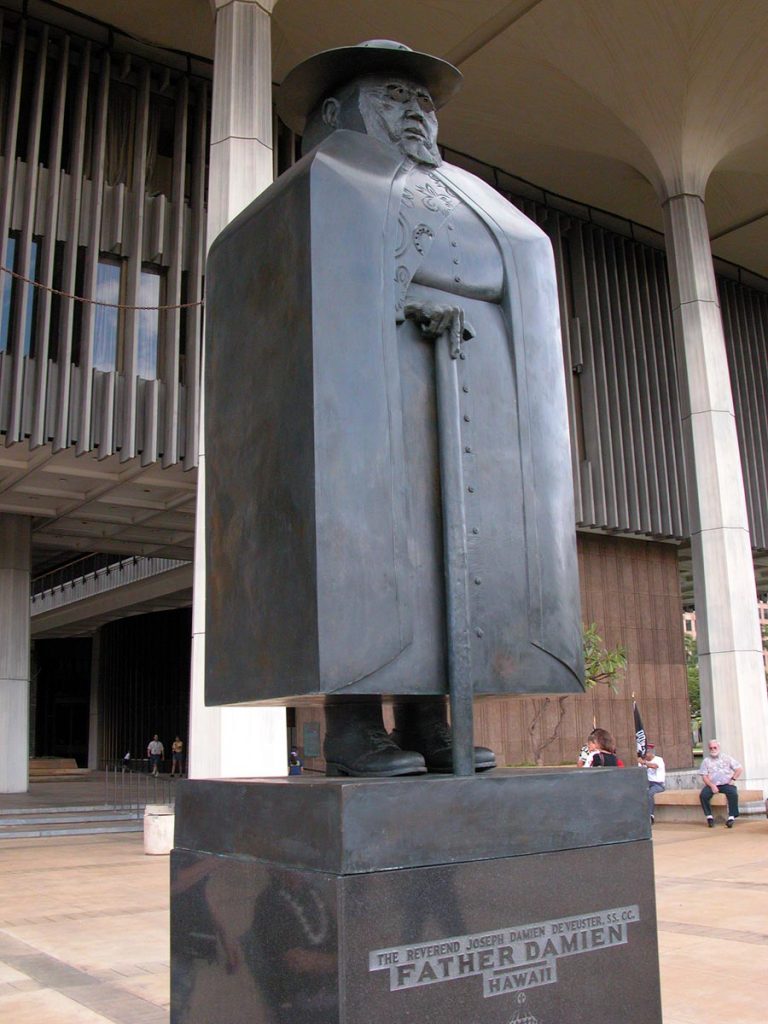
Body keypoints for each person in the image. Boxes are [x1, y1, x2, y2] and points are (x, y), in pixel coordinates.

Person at [205, 40, 583, 777]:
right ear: (339, 112)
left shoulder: (478, 197)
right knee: (375, 551)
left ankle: (427, 719)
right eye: (394, 98)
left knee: (456, 556)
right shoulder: (322, 185)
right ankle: (351, 725)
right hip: (366, 402)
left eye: (424, 104)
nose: (416, 114)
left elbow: (525, 260)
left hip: (475, 402)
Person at [699, 739, 742, 827]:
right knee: (703, 795)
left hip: (726, 784)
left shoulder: (727, 758)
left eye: (715, 747)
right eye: (711, 748)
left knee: (733, 793)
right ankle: (709, 817)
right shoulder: (706, 761)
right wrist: (711, 785)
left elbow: (739, 769)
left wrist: (733, 779)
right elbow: (704, 776)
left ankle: (731, 817)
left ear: (718, 747)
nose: (713, 750)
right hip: (712, 784)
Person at [640, 745, 665, 823]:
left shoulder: (658, 759)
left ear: (650, 753)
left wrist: (644, 763)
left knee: (649, 793)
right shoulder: (643, 761)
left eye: (646, 753)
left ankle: (650, 815)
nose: (645, 755)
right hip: (646, 783)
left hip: (658, 784)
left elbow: (655, 766)